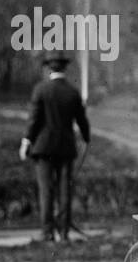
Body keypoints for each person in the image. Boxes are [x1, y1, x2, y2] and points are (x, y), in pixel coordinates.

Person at [19, 54, 90, 244]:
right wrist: (86, 137)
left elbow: (33, 119)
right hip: (66, 149)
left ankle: (47, 233)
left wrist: (26, 141)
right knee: (64, 191)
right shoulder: (73, 92)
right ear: (64, 69)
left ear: (49, 69)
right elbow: (82, 121)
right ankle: (64, 233)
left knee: (46, 191)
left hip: (43, 149)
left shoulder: (41, 90)